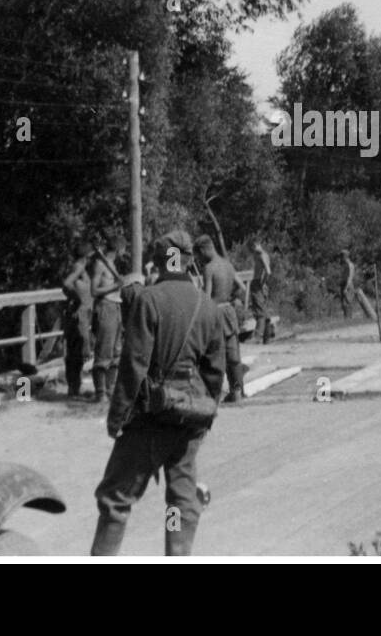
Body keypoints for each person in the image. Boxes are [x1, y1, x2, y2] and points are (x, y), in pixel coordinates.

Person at [91, 230, 225, 556]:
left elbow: (134, 364)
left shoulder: (149, 300)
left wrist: (117, 417)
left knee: (115, 498)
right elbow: (215, 371)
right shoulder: (208, 306)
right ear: (189, 261)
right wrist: (202, 410)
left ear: (162, 262)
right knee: (180, 500)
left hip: (151, 418)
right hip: (191, 415)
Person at [195, 235, 247, 402]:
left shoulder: (209, 268)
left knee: (215, 355)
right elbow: (242, 287)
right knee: (233, 354)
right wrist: (234, 299)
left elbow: (207, 296)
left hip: (215, 314)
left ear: (204, 250)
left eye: (200, 256)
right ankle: (237, 390)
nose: (200, 260)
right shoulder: (227, 264)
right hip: (229, 312)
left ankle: (213, 393)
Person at [89, 237, 125, 404]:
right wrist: (115, 286)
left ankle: (110, 389)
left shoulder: (113, 265)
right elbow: (94, 290)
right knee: (104, 350)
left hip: (116, 307)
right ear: (120, 249)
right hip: (105, 307)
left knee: (117, 352)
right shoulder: (100, 264)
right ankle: (100, 392)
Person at [61, 242, 95, 400]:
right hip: (78, 315)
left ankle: (74, 388)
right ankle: (73, 388)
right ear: (87, 256)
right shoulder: (79, 267)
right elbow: (66, 284)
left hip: (80, 313)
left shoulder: (77, 267)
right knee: (78, 351)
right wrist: (77, 297)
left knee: (76, 352)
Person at [248, 240, 277, 344]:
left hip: (258, 284)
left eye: (252, 247)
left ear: (256, 244)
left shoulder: (261, 255)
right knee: (264, 311)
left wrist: (262, 282)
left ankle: (257, 337)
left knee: (260, 312)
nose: (252, 250)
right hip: (261, 284)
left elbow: (268, 271)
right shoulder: (263, 255)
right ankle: (267, 338)